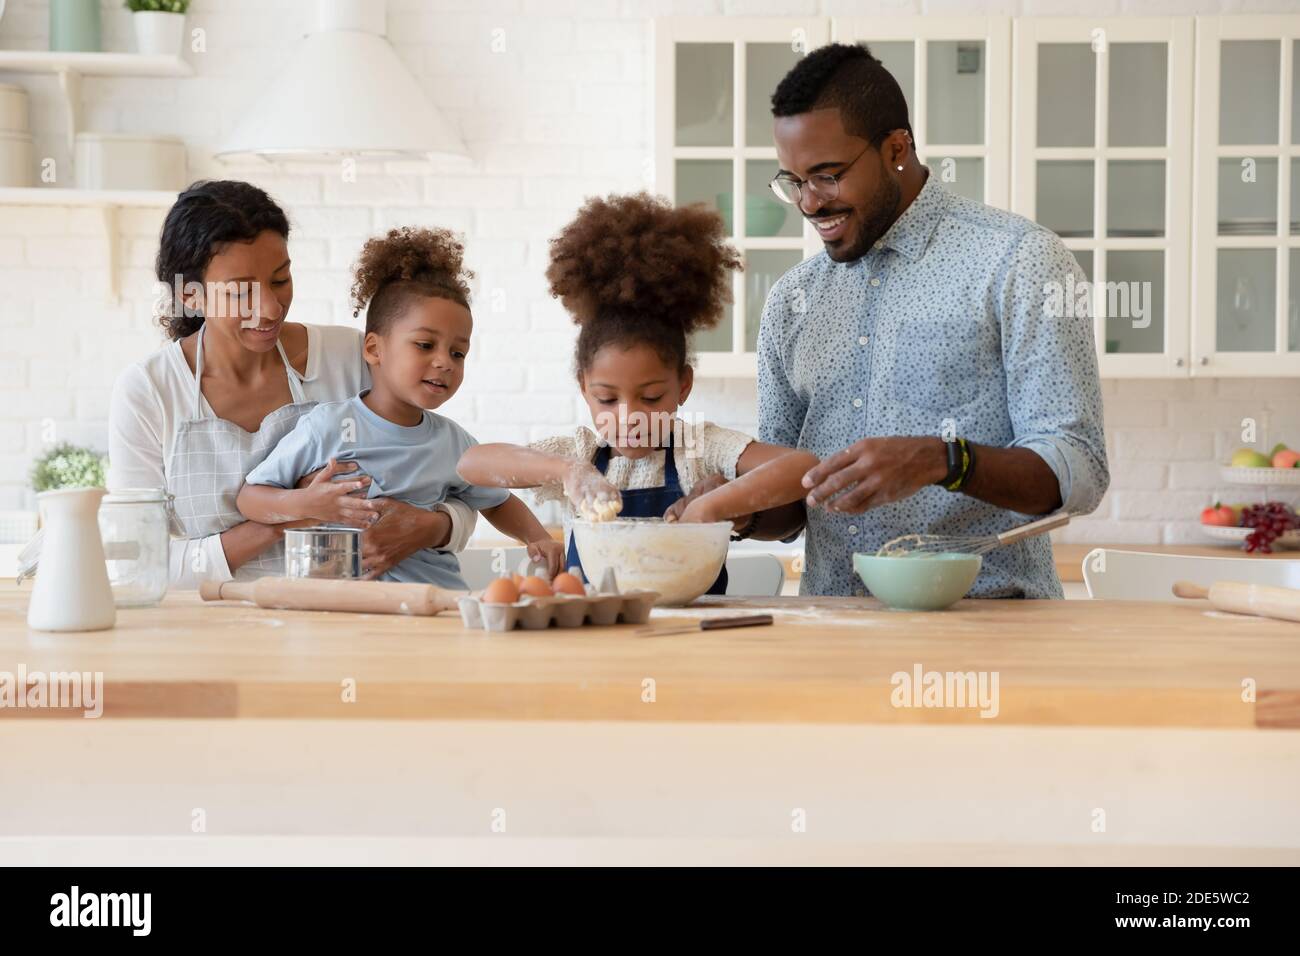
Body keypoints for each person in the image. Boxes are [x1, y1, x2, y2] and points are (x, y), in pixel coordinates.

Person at [757, 44, 1108, 597]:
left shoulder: (1018, 260)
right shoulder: (792, 300)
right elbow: (785, 497)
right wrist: (730, 507)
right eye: (794, 181)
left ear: (897, 148)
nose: (809, 203)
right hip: (830, 636)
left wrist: (944, 460)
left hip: (989, 632)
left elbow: (1079, 472)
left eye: (827, 176)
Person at [107, 181, 476, 587]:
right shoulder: (150, 391)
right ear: (192, 297)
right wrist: (289, 516)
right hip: (214, 636)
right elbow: (138, 565)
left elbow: (448, 479)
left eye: (280, 280)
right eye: (240, 292)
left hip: (347, 631)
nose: (269, 309)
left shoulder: (348, 357)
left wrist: (432, 527)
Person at [457, 193, 819, 591]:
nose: (629, 416)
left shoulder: (696, 446)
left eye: (650, 398)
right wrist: (568, 471)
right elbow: (472, 464)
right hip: (597, 634)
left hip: (694, 635)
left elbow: (802, 466)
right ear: (584, 388)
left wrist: (717, 505)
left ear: (683, 385)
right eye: (607, 399)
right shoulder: (582, 454)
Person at [237, 227, 562, 586]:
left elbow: (497, 500)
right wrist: (307, 504)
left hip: (434, 605)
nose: (445, 362)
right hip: (340, 614)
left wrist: (538, 538)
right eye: (425, 345)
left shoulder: (454, 442)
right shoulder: (327, 426)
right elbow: (252, 498)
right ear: (374, 349)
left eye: (458, 352)